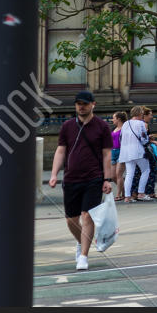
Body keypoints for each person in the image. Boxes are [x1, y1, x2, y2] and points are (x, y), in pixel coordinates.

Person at [49, 91, 116, 270]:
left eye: (85, 103)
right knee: (71, 220)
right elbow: (61, 150)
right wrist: (54, 173)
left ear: (93, 104)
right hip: (71, 178)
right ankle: (81, 242)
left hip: (93, 178)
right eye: (78, 103)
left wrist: (107, 178)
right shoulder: (67, 126)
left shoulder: (102, 127)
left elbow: (107, 154)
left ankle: (83, 256)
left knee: (87, 216)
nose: (81, 106)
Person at [117, 105, 149, 203]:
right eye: (142, 114)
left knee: (129, 173)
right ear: (140, 114)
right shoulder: (141, 124)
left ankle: (127, 196)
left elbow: (120, 138)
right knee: (146, 170)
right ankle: (141, 193)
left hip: (126, 152)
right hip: (137, 151)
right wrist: (148, 139)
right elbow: (143, 139)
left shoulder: (125, 124)